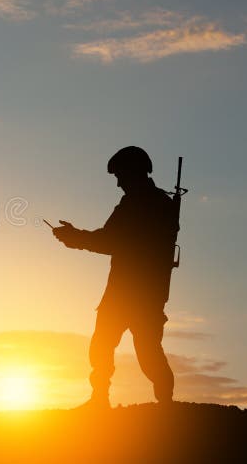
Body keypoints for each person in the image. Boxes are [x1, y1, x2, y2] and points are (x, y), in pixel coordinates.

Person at [52, 146, 178, 409]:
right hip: (129, 292)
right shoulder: (147, 202)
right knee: (106, 344)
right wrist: (78, 238)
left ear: (133, 172)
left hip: (138, 294)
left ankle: (165, 404)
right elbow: (113, 239)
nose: (118, 182)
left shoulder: (144, 204)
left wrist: (76, 238)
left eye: (120, 175)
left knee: (145, 352)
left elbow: (112, 240)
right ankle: (104, 399)